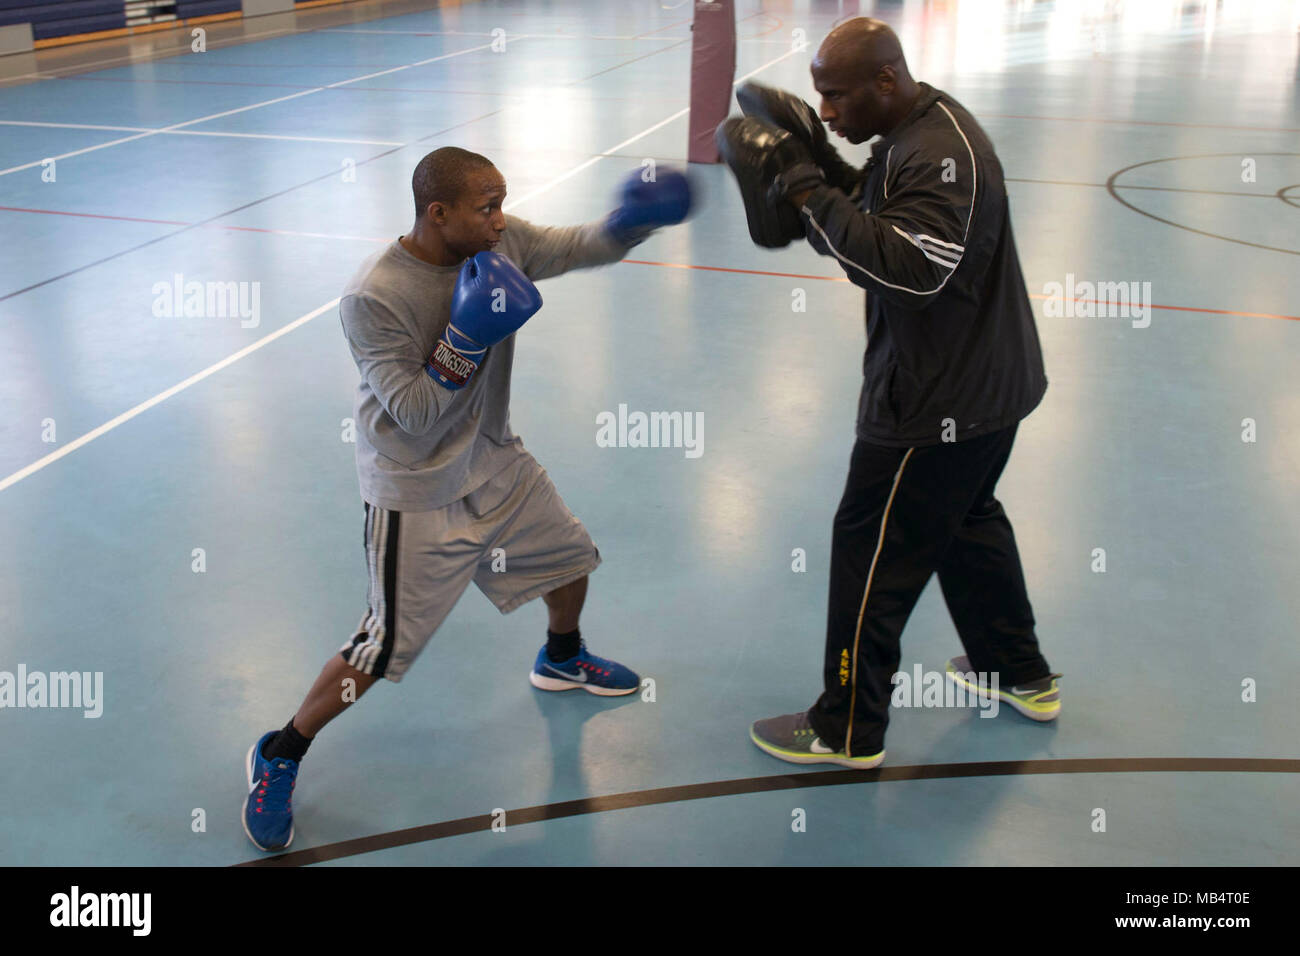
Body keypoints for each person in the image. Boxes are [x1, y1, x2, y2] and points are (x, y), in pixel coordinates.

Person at [242, 147, 692, 851]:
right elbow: (417, 413)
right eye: (487, 206)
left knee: (570, 556)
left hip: (495, 459)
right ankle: (281, 751)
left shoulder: (499, 241)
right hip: (416, 488)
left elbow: (577, 246)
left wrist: (631, 223)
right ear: (437, 213)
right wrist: (465, 336)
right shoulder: (374, 296)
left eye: (502, 202)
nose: (500, 219)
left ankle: (562, 655)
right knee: (379, 651)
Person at [718, 18, 1059, 769]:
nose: (829, 113)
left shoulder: (940, 157)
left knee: (869, 554)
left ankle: (846, 726)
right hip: (987, 386)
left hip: (936, 404)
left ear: (884, 79)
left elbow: (909, 270)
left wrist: (805, 186)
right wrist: (824, 178)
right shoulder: (914, 135)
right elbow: (875, 220)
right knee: (965, 520)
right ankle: (1019, 673)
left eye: (836, 97)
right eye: (820, 99)